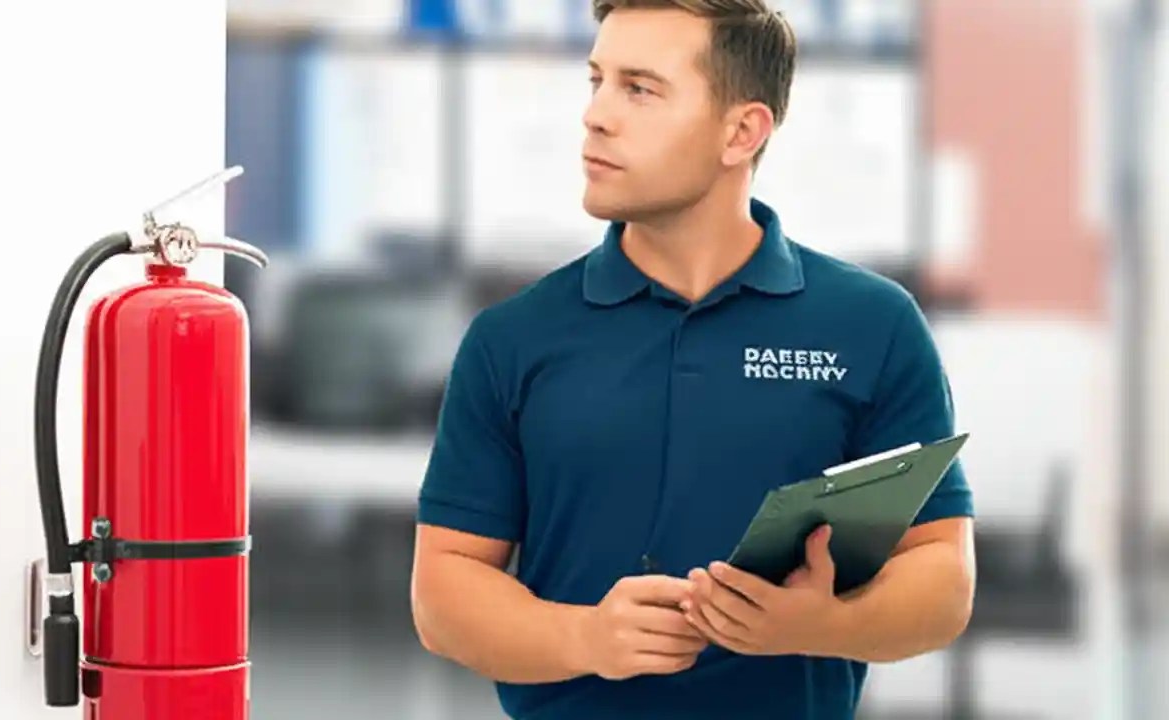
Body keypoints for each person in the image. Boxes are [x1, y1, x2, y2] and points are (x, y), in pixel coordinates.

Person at [410, 1, 976, 718]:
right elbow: (444, 589)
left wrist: (825, 625)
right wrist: (585, 636)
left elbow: (941, 576)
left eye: (640, 89)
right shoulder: (512, 338)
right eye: (597, 82)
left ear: (742, 131)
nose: (597, 116)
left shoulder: (873, 325)